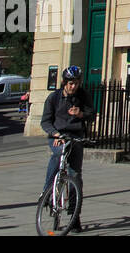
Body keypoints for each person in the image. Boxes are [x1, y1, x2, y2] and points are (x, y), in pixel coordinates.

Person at [40, 65, 95, 232]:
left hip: (75, 136)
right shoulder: (54, 98)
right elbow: (45, 121)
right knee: (57, 155)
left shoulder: (83, 95)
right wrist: (55, 134)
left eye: (76, 83)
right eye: (70, 83)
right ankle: (47, 192)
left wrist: (80, 114)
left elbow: (92, 114)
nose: (73, 86)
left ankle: (74, 215)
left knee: (75, 176)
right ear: (64, 82)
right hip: (58, 136)